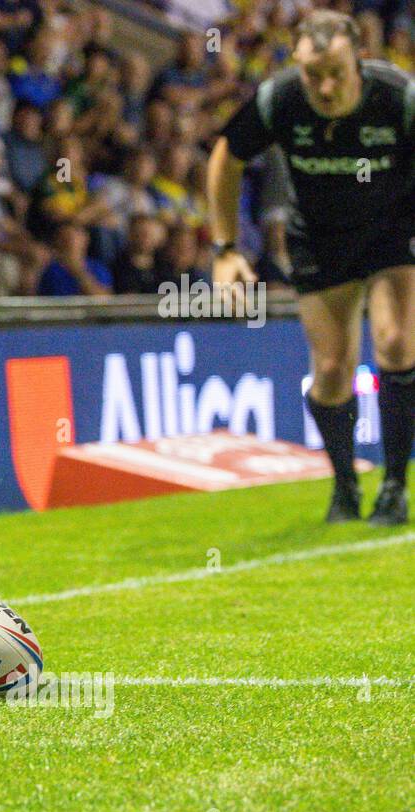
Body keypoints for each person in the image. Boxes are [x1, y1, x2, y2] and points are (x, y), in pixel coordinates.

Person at [208, 9, 415, 524]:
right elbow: (226, 158)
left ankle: (393, 486)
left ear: (359, 61)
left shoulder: (399, 97)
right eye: (312, 74)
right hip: (321, 239)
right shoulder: (279, 99)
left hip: (394, 229)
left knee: (395, 341)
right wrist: (226, 248)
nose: (324, 88)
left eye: (336, 74)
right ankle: (345, 487)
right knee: (329, 372)